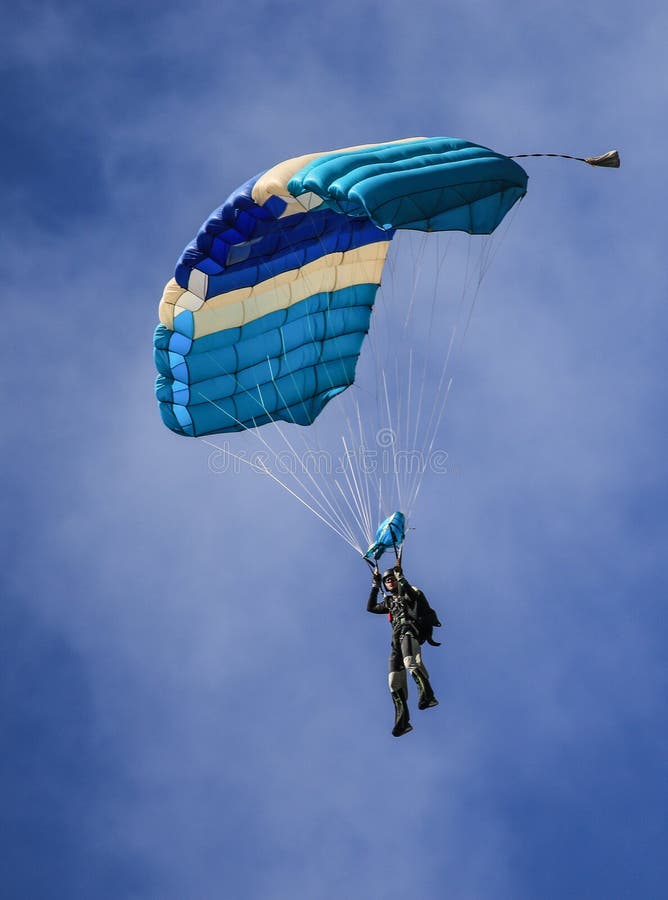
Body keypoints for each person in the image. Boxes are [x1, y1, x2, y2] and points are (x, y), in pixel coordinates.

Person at [367, 565, 441, 737]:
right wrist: (375, 586)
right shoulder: (389, 601)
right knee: (393, 681)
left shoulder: (408, 593)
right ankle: (402, 720)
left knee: (410, 663)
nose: (390, 581)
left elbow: (413, 596)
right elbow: (370, 607)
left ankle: (428, 696)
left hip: (409, 632)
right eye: (387, 581)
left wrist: (402, 579)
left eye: (391, 579)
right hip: (395, 641)